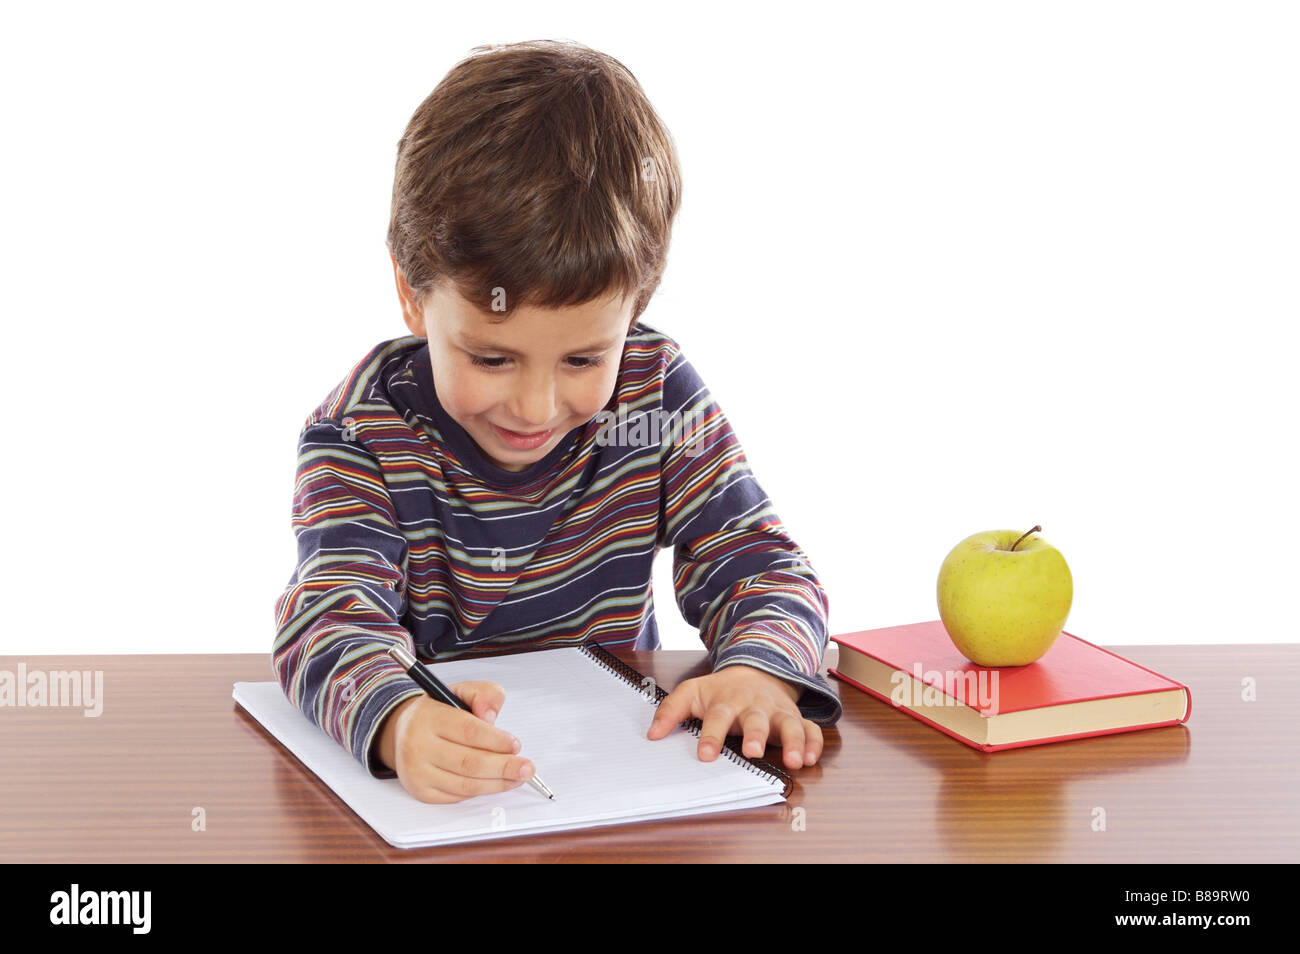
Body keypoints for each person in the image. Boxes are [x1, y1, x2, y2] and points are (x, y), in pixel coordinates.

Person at [273, 39, 842, 805]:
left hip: (620, 790)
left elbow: (763, 567)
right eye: (493, 359)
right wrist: (399, 721)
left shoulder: (656, 397)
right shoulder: (361, 436)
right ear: (412, 295)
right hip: (462, 803)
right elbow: (327, 620)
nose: (537, 408)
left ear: (635, 307)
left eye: (581, 361)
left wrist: (756, 668)